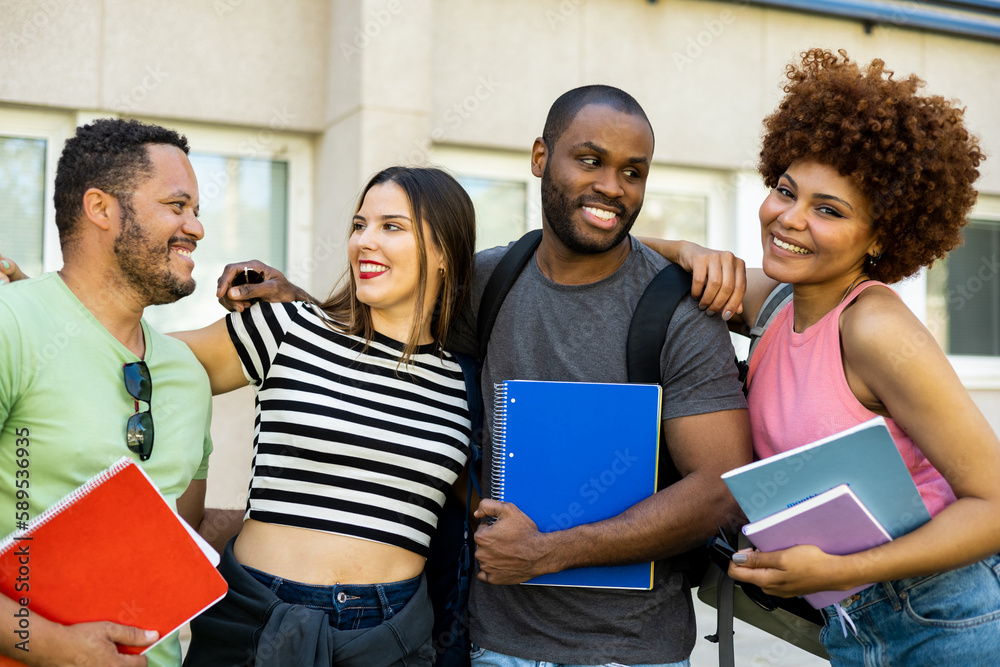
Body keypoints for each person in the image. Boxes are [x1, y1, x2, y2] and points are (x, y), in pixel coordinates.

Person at [224, 85, 752, 667]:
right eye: (590, 160)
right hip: (493, 643)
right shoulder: (487, 282)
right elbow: (390, 316)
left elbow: (721, 489)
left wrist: (549, 551)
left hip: (632, 649)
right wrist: (300, 305)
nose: (612, 185)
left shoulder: (680, 309)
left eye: (633, 172)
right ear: (540, 157)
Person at [666, 48, 1000, 664]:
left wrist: (842, 568)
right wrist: (690, 250)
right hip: (852, 621)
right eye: (785, 191)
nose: (789, 220)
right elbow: (625, 253)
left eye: (828, 210)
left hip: (943, 616)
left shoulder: (873, 328)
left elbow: (995, 507)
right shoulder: (774, 303)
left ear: (881, 236)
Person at [175, 166, 477, 666]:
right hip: (255, 619)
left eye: (391, 227)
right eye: (359, 225)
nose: (364, 241)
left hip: (388, 639)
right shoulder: (287, 328)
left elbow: (485, 508)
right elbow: (143, 365)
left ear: (445, 253)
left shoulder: (465, 384)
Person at [0, 118, 215, 667]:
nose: (196, 227)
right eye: (177, 205)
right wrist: (51, 646)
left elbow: (180, 538)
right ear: (100, 208)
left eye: (196, 210)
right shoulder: (11, 327)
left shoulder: (187, 375)